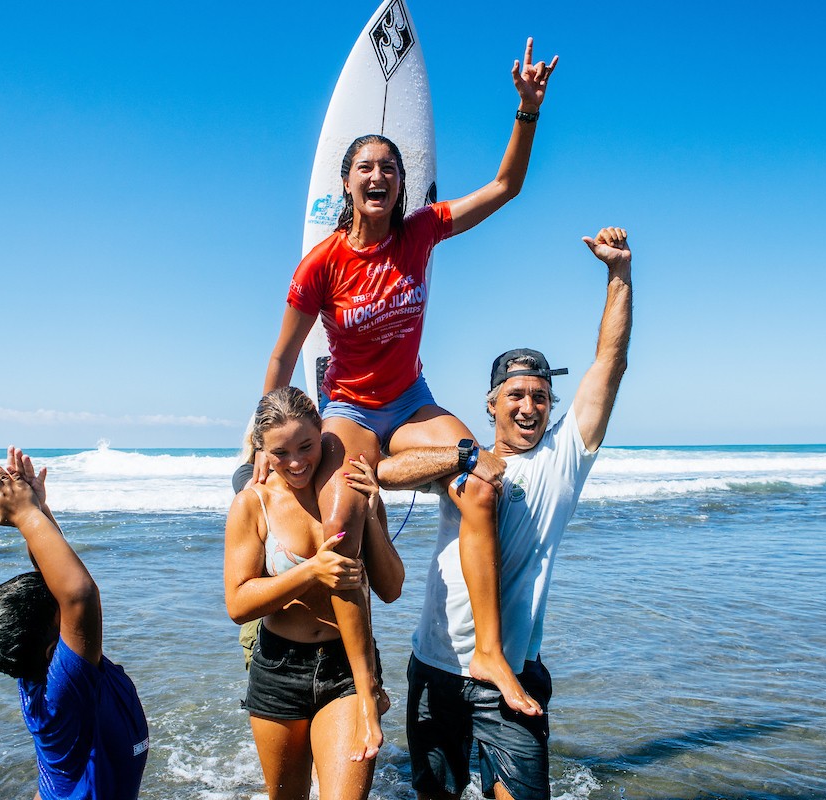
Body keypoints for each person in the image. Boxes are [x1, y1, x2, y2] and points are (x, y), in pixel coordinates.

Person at [261, 38, 560, 760]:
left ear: (404, 184)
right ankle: (366, 692)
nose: (379, 176)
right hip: (352, 409)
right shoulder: (322, 264)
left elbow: (506, 188)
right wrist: (259, 434)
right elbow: (281, 355)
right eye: (366, 167)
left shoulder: (422, 231)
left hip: (412, 398)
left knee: (485, 480)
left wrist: (525, 110)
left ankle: (486, 650)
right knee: (342, 521)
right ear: (347, 183)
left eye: (390, 169)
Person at [382, 227, 633, 800]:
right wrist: (465, 456)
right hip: (436, 665)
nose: (528, 406)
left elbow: (609, 365)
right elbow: (383, 474)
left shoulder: (561, 459)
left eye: (540, 396)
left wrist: (618, 275)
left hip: (513, 675)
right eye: (515, 395)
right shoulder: (461, 457)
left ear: (552, 406)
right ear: (490, 403)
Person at [224, 386, 404, 800]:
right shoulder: (254, 504)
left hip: (346, 667)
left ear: (321, 432)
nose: (296, 462)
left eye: (306, 446)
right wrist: (311, 572)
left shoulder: (349, 489)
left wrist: (373, 511)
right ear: (261, 451)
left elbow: (391, 588)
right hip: (278, 669)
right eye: (280, 453)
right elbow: (238, 603)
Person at [0, 446, 149, 800]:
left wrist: (38, 511)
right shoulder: (63, 695)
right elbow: (79, 595)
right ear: (51, 652)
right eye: (62, 610)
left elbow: (60, 580)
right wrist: (26, 517)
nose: (71, 612)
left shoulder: (48, 668)